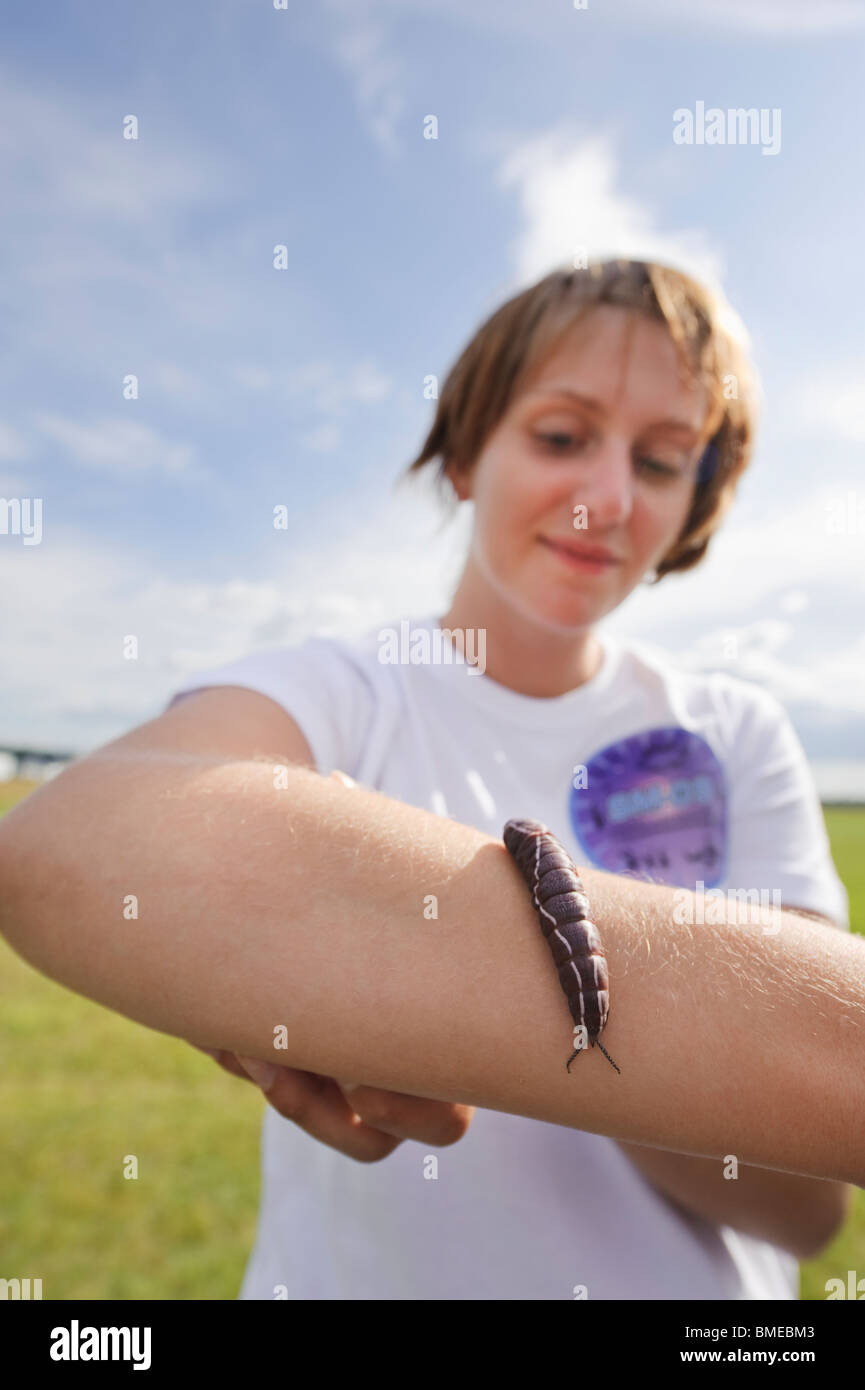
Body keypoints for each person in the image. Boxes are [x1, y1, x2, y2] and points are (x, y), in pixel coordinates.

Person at [0, 259, 856, 1301]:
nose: (605, 496)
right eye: (559, 436)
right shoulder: (342, 691)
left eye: (665, 459)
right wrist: (715, 1047)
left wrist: (391, 974)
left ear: (695, 505)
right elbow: (73, 840)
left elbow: (811, 1195)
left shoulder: (738, 734)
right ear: (463, 452)